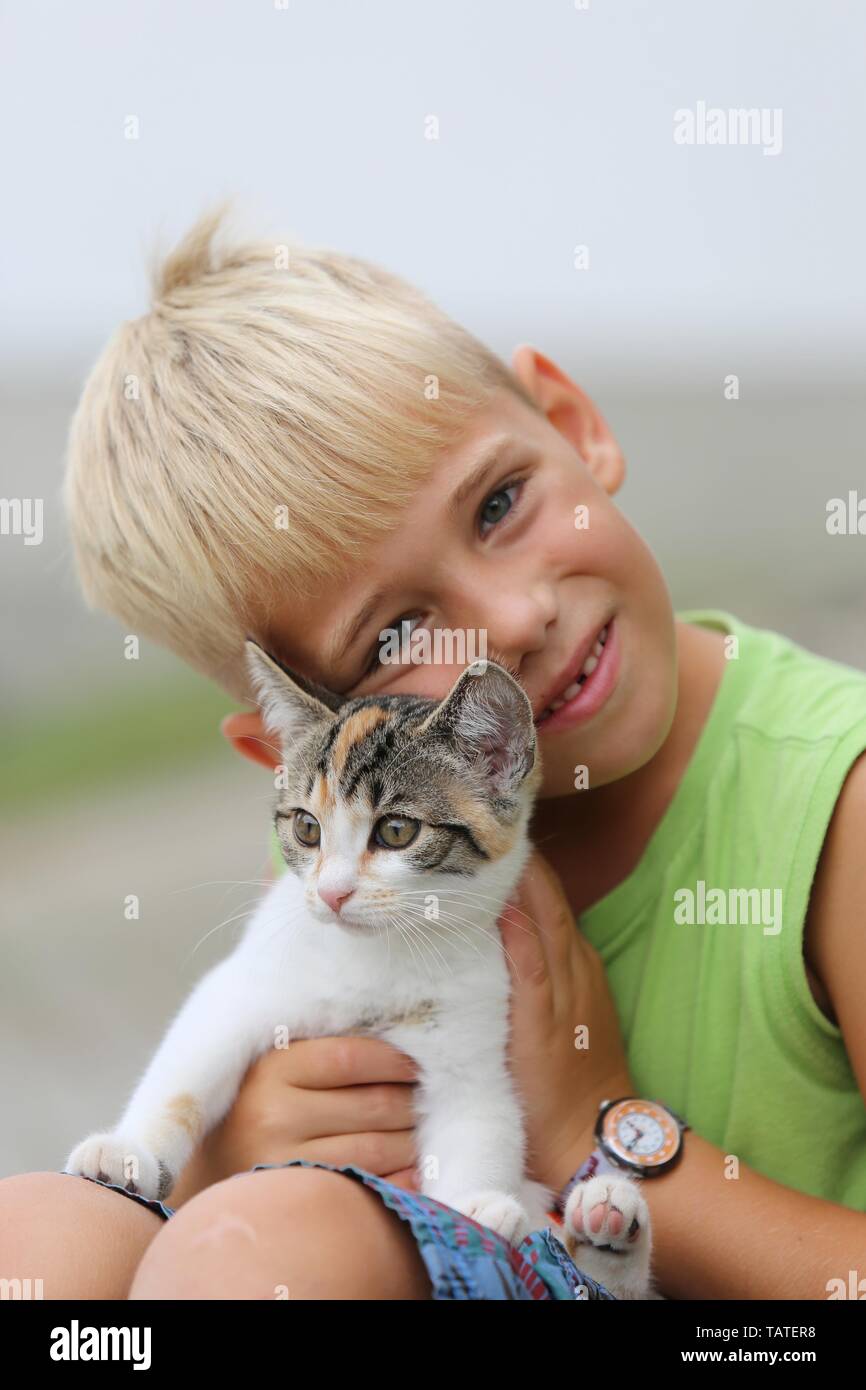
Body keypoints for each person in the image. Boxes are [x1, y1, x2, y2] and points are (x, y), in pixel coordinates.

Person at [3, 204, 865, 1299]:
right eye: (394, 637)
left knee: (270, 1245)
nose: (508, 620)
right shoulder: (355, 854)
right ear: (296, 746)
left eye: (498, 504)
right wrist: (227, 1148)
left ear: (571, 418)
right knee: (36, 1237)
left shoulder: (834, 802)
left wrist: (600, 1131)